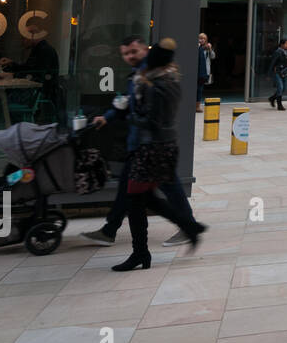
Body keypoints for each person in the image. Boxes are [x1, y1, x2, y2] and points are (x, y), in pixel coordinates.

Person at [83, 35, 205, 249]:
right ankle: (111, 231)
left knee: (161, 188)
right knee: (131, 189)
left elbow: (147, 114)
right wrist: (109, 117)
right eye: (125, 54)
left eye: (133, 52)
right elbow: (128, 103)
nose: (129, 56)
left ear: (145, 51)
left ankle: (188, 227)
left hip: (152, 145)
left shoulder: (153, 76)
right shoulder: (140, 75)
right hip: (142, 143)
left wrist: (127, 118)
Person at [267, 38, 287, 111]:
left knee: (284, 88)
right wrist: (269, 74)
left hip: (284, 72)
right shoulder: (278, 52)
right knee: (280, 87)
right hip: (277, 72)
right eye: (286, 44)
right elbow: (272, 63)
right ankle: (279, 105)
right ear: (282, 44)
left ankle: (272, 98)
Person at [195, 32, 214, 113]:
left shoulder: (207, 48)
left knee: (199, 89)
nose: (201, 40)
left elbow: (213, 56)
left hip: (203, 72)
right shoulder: (196, 47)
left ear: (206, 40)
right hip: (196, 71)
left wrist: (210, 49)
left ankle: (197, 106)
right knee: (194, 89)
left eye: (203, 39)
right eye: (200, 38)